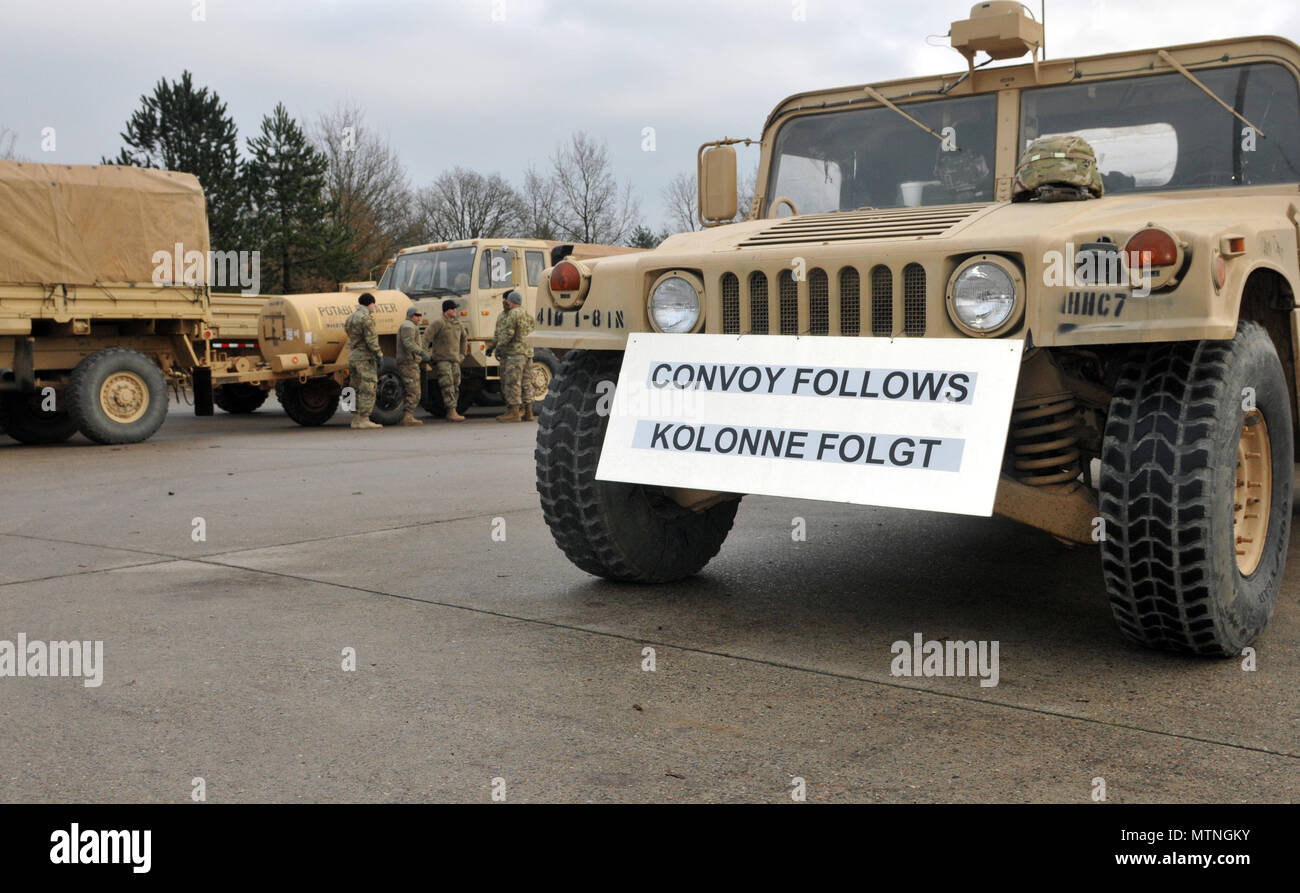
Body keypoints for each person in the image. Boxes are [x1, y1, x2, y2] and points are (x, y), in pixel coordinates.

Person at [485, 289, 535, 422]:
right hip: (527, 353)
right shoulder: (526, 314)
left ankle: (514, 413)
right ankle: (528, 412)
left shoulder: (512, 314)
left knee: (512, 382)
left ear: (511, 301)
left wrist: (498, 348)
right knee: (526, 383)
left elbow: (507, 333)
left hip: (514, 354)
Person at [344, 293, 384, 430]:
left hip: (353, 356)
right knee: (368, 386)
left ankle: (355, 419)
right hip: (365, 358)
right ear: (369, 303)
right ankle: (364, 419)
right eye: (374, 303)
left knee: (354, 387)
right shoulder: (366, 319)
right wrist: (379, 355)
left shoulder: (350, 318)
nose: (375, 306)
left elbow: (348, 333)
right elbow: (371, 341)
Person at [425, 299, 467, 422]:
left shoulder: (458, 323)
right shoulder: (438, 323)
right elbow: (426, 338)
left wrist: (462, 355)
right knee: (447, 385)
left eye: (455, 308)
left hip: (455, 360)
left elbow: (464, 339)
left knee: (456, 385)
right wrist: (426, 355)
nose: (455, 311)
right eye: (453, 308)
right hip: (443, 360)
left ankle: (454, 410)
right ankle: (451, 411)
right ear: (447, 310)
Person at [396, 306, 432, 426]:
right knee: (414, 391)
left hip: (411, 362)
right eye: (417, 315)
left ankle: (409, 416)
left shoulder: (411, 326)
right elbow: (408, 343)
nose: (419, 318)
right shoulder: (408, 326)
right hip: (408, 362)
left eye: (420, 315)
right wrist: (421, 352)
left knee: (413, 389)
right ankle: (408, 417)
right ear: (411, 316)